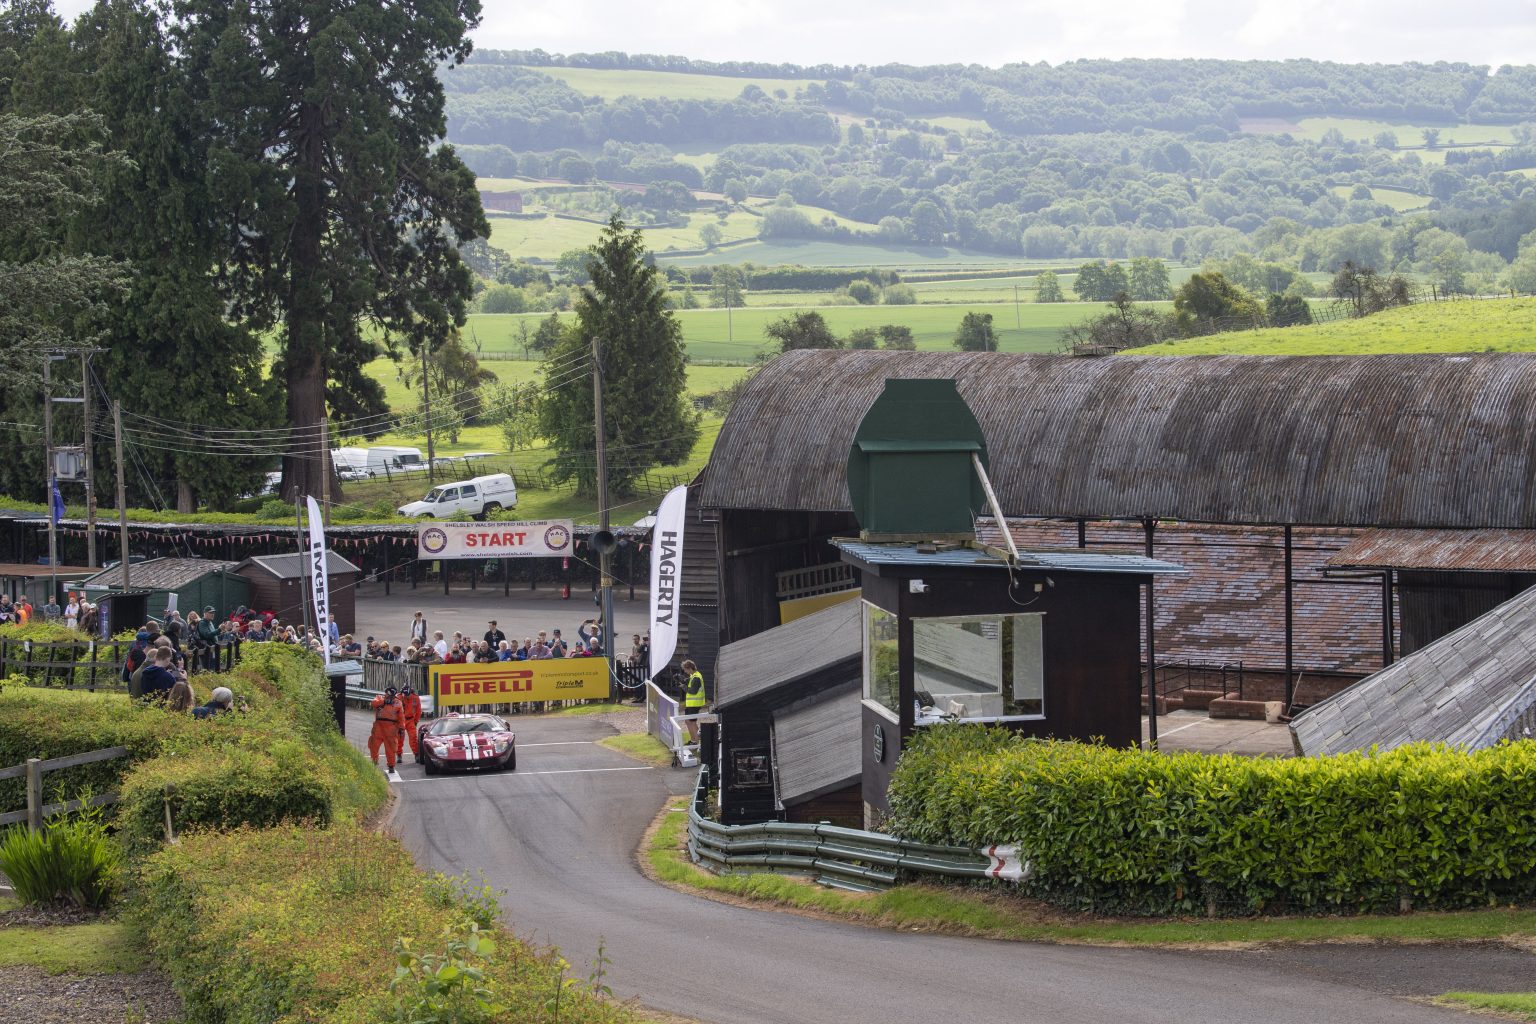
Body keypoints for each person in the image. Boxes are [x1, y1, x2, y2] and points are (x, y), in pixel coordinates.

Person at [368, 687, 404, 773]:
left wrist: (401, 728)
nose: (390, 697)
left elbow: (401, 717)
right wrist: (383, 702)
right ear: (386, 693)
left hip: (391, 728)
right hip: (378, 727)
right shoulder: (379, 698)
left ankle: (391, 766)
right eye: (389, 695)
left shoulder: (398, 702)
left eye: (392, 695)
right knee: (373, 746)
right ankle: (374, 762)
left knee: (391, 748)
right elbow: (373, 703)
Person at [682, 659, 706, 744]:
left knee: (691, 722)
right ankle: (694, 739)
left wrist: (683, 687)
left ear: (689, 668)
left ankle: (695, 741)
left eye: (685, 669)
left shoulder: (696, 677)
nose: (685, 671)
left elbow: (693, 691)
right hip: (691, 704)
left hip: (694, 704)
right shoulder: (694, 676)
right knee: (688, 721)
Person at [399, 684, 422, 762]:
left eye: (408, 695)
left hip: (411, 720)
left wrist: (416, 721)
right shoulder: (399, 697)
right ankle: (399, 755)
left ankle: (416, 754)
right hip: (401, 720)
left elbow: (419, 711)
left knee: (413, 738)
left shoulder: (415, 698)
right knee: (399, 738)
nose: (407, 696)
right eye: (405, 695)